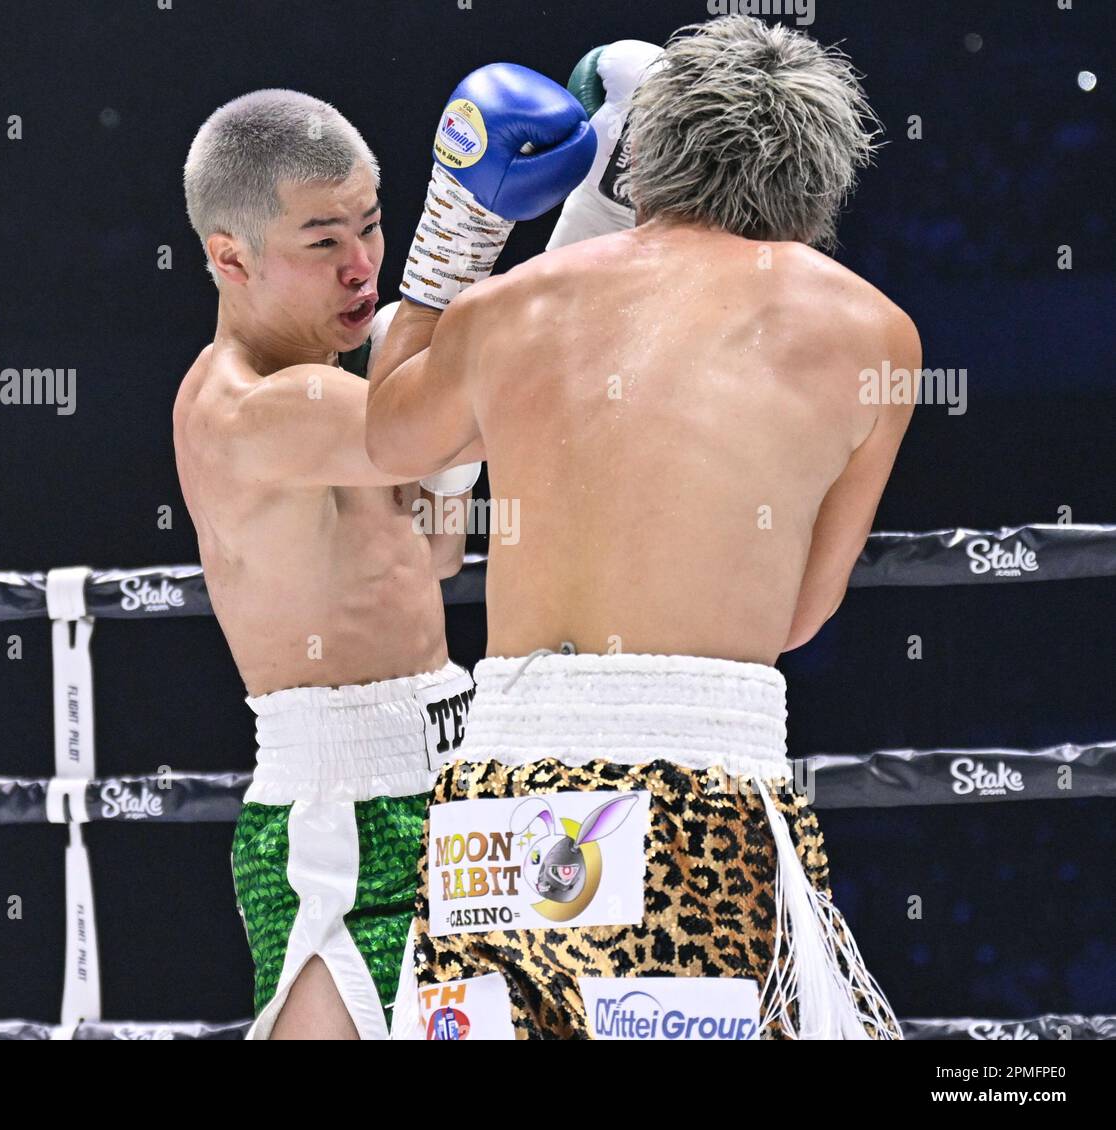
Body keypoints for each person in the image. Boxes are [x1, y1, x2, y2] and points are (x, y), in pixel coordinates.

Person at [368, 17, 914, 1039]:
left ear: (645, 154)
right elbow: (796, 614)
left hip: (504, 794)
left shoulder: (519, 300)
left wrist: (455, 227)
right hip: (700, 784)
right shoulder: (872, 334)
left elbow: (392, 439)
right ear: (819, 175)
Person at [173, 89, 484, 1039]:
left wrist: (424, 355)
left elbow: (431, 554)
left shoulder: (348, 390)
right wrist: (476, 229)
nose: (361, 267)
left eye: (375, 228)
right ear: (232, 257)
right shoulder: (257, 408)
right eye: (322, 243)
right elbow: (485, 408)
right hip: (343, 813)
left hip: (460, 774)